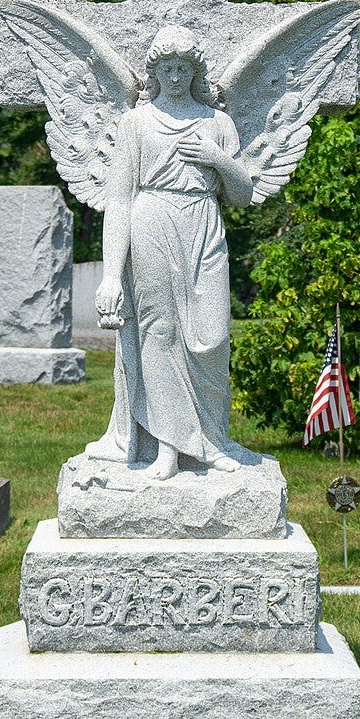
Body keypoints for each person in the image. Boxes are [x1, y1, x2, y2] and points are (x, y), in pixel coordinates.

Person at [91, 25, 252, 479]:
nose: (177, 75)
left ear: (196, 71)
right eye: (168, 68)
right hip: (153, 220)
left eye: (184, 67)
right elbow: (119, 198)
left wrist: (216, 159)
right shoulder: (136, 123)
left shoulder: (217, 124)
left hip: (203, 223)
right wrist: (109, 275)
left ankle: (214, 441)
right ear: (155, 73)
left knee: (213, 338)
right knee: (157, 334)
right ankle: (169, 447)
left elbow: (242, 194)